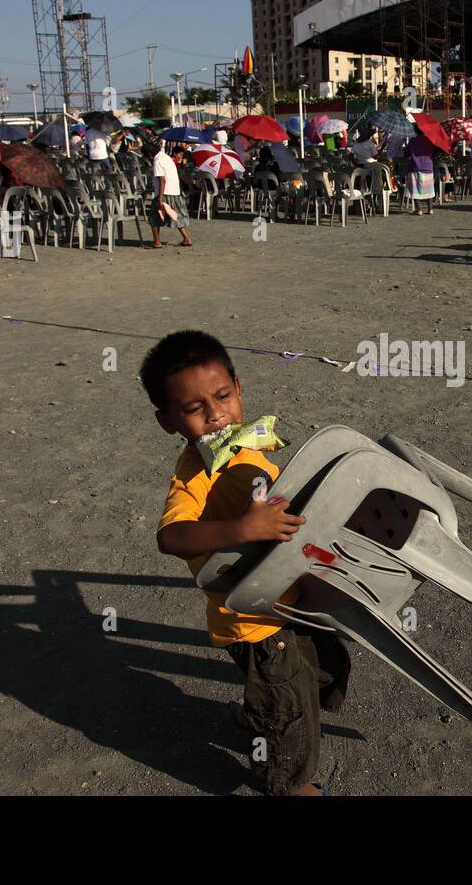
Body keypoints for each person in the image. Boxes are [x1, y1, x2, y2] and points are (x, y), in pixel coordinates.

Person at [143, 330, 348, 797]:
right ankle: (288, 784)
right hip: (254, 619)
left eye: (221, 397)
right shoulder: (194, 474)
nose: (215, 416)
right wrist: (242, 530)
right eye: (194, 409)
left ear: (239, 388)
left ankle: (259, 711)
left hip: (292, 597)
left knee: (322, 666)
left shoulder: (249, 445)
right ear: (167, 420)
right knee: (291, 714)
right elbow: (171, 537)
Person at [148, 141, 193, 249]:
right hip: (175, 191)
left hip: (165, 191)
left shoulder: (157, 160)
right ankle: (187, 238)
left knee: (154, 218)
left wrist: (160, 198)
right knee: (176, 216)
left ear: (149, 155)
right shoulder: (166, 157)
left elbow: (162, 180)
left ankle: (157, 241)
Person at [404, 126, 437, 215]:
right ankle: (430, 209)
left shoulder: (413, 141)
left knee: (415, 189)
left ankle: (418, 209)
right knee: (429, 188)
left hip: (416, 166)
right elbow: (433, 152)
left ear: (415, 131)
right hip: (428, 166)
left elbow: (406, 153)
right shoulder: (429, 140)